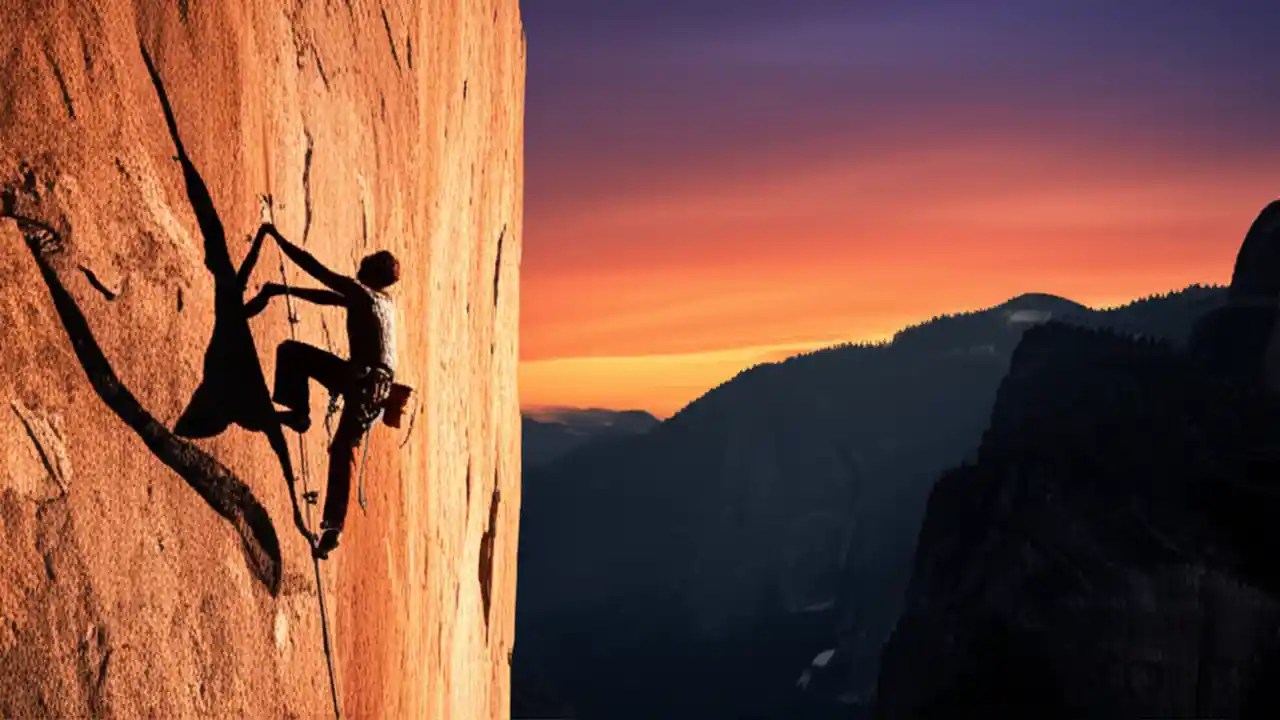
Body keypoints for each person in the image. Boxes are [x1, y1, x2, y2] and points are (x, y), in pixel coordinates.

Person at [244, 223, 399, 558]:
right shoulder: (384, 303)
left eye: (366, 262)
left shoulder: (362, 294)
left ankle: (300, 413)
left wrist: (276, 236)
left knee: (291, 353)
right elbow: (331, 299)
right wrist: (284, 292)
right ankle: (333, 528)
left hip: (359, 381)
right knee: (344, 449)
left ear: (371, 271)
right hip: (376, 390)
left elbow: (317, 271)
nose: (359, 264)